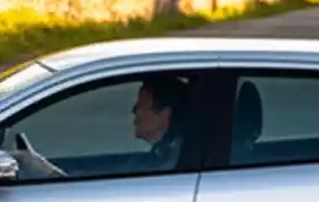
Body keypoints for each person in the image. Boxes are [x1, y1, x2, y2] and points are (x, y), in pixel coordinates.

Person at [11, 75, 190, 180]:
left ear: (164, 115)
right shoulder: (165, 155)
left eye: (141, 107)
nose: (133, 111)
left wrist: (43, 170)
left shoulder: (163, 164)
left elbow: (81, 200)